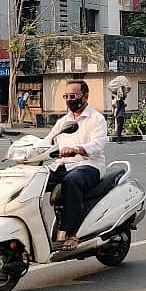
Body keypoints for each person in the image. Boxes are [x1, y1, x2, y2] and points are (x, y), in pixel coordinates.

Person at [46, 79, 108, 251]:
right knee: (35, 179)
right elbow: (47, 141)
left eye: (73, 96)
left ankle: (72, 233)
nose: (69, 100)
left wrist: (77, 149)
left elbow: (97, 144)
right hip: (63, 165)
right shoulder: (63, 122)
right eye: (66, 96)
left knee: (71, 181)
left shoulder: (96, 119)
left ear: (85, 97)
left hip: (89, 165)